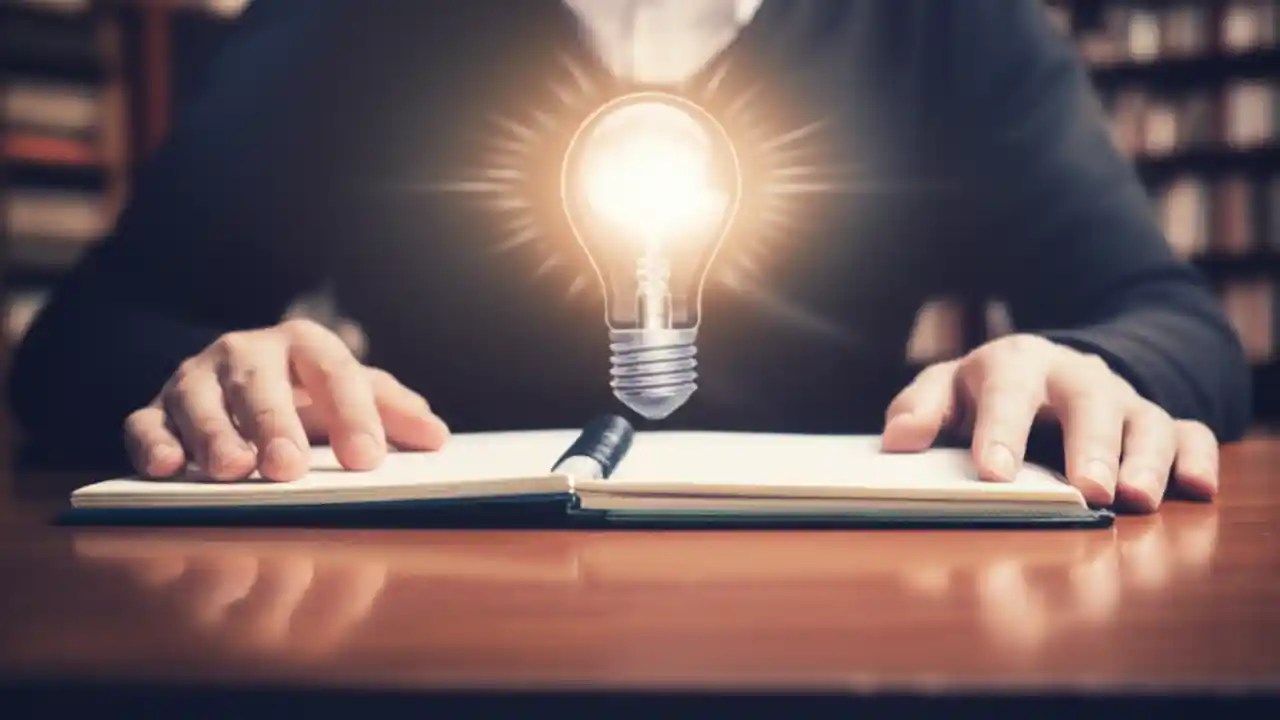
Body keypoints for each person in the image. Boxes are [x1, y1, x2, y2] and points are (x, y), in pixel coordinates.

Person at [8, 0, 1250, 513]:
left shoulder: (948, 22)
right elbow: (88, 339)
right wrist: (215, 375)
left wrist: (1089, 365)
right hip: (425, 598)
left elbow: (1166, 316)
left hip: (835, 602)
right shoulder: (352, 19)